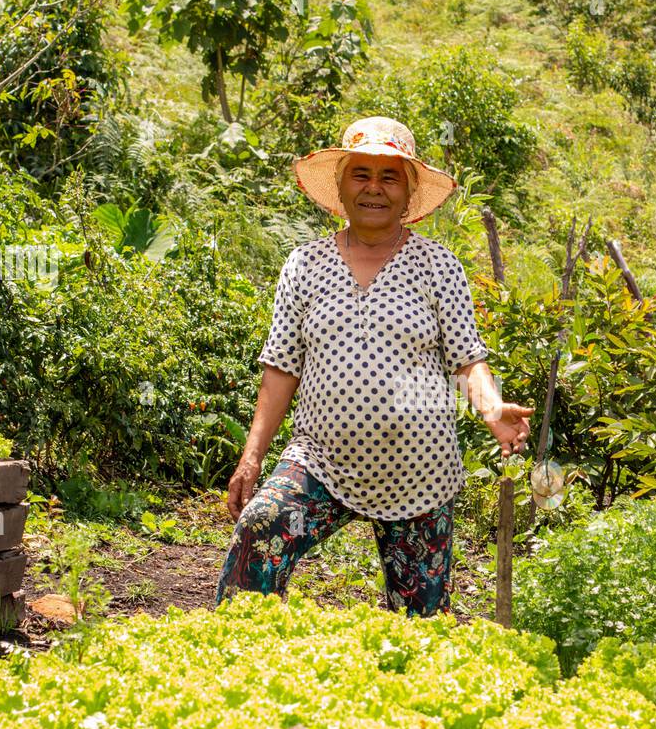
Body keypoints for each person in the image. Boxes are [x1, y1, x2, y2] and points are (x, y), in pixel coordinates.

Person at [215, 116, 534, 617]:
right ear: (340, 186)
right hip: (321, 461)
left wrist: (493, 411)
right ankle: (239, 656)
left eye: (390, 177)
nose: (374, 189)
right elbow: (281, 368)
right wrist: (252, 456)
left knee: (420, 621)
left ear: (409, 194)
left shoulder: (438, 266)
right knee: (261, 529)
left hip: (420, 474)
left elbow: (467, 359)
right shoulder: (304, 264)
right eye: (361, 174)